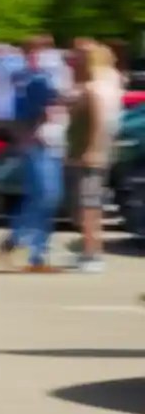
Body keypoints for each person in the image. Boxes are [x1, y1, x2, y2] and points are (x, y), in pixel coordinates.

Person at [0, 37, 65, 272]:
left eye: (44, 49)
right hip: (39, 143)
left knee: (46, 198)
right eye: (34, 50)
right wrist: (26, 134)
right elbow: (20, 112)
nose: (40, 54)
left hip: (55, 142)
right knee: (45, 195)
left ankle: (34, 252)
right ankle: (21, 244)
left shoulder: (54, 73)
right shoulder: (30, 78)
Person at [67, 42, 121, 273]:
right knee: (91, 205)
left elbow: (100, 120)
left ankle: (92, 255)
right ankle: (89, 251)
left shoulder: (94, 88)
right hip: (92, 152)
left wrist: (92, 149)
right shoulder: (108, 84)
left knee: (87, 207)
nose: (74, 60)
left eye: (80, 57)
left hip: (88, 155)